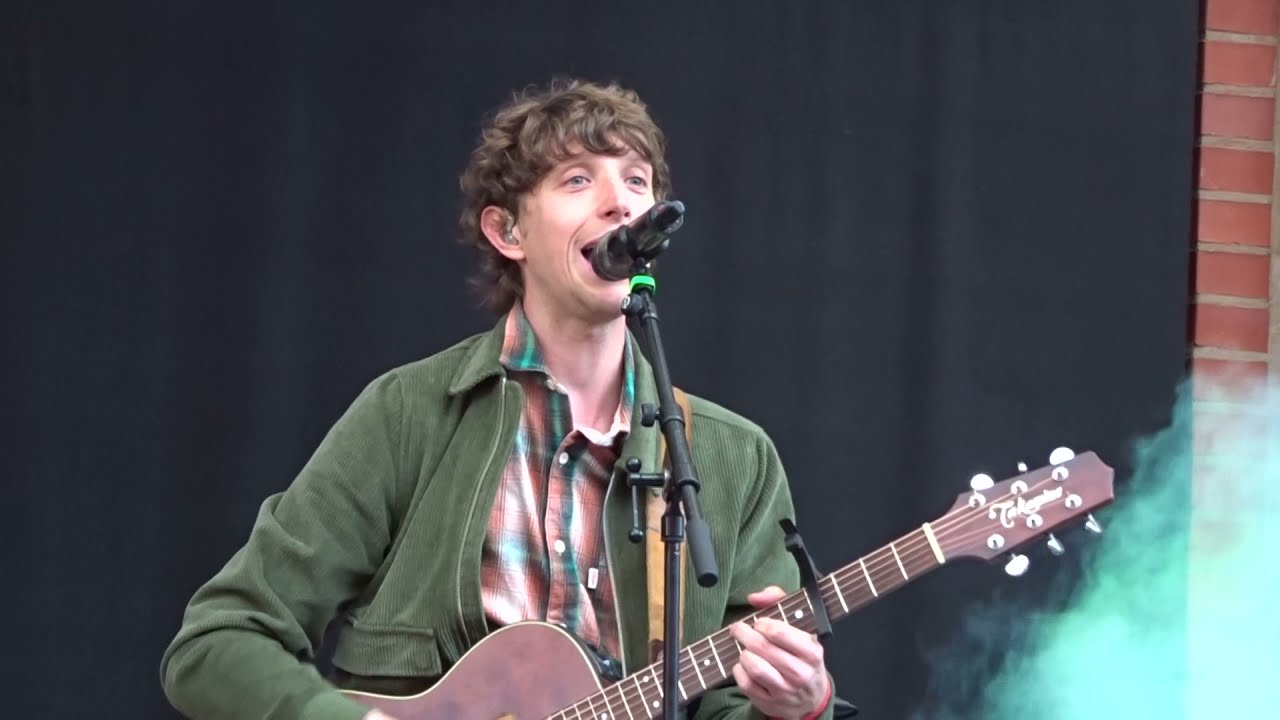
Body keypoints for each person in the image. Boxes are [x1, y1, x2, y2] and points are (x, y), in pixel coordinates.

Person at [160, 78, 836, 720]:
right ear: (507, 232)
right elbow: (218, 640)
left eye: (636, 181)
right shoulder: (409, 415)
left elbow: (736, 704)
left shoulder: (731, 457)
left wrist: (799, 703)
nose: (620, 202)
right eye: (579, 180)